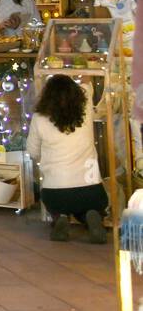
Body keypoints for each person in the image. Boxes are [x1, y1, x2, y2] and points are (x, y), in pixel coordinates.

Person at [27, 74, 109, 243]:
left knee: (61, 203)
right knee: (90, 205)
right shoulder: (85, 108)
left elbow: (33, 151)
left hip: (55, 191)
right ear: (75, 94)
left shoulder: (39, 118)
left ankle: (60, 217)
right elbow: (87, 83)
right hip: (91, 190)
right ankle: (91, 217)